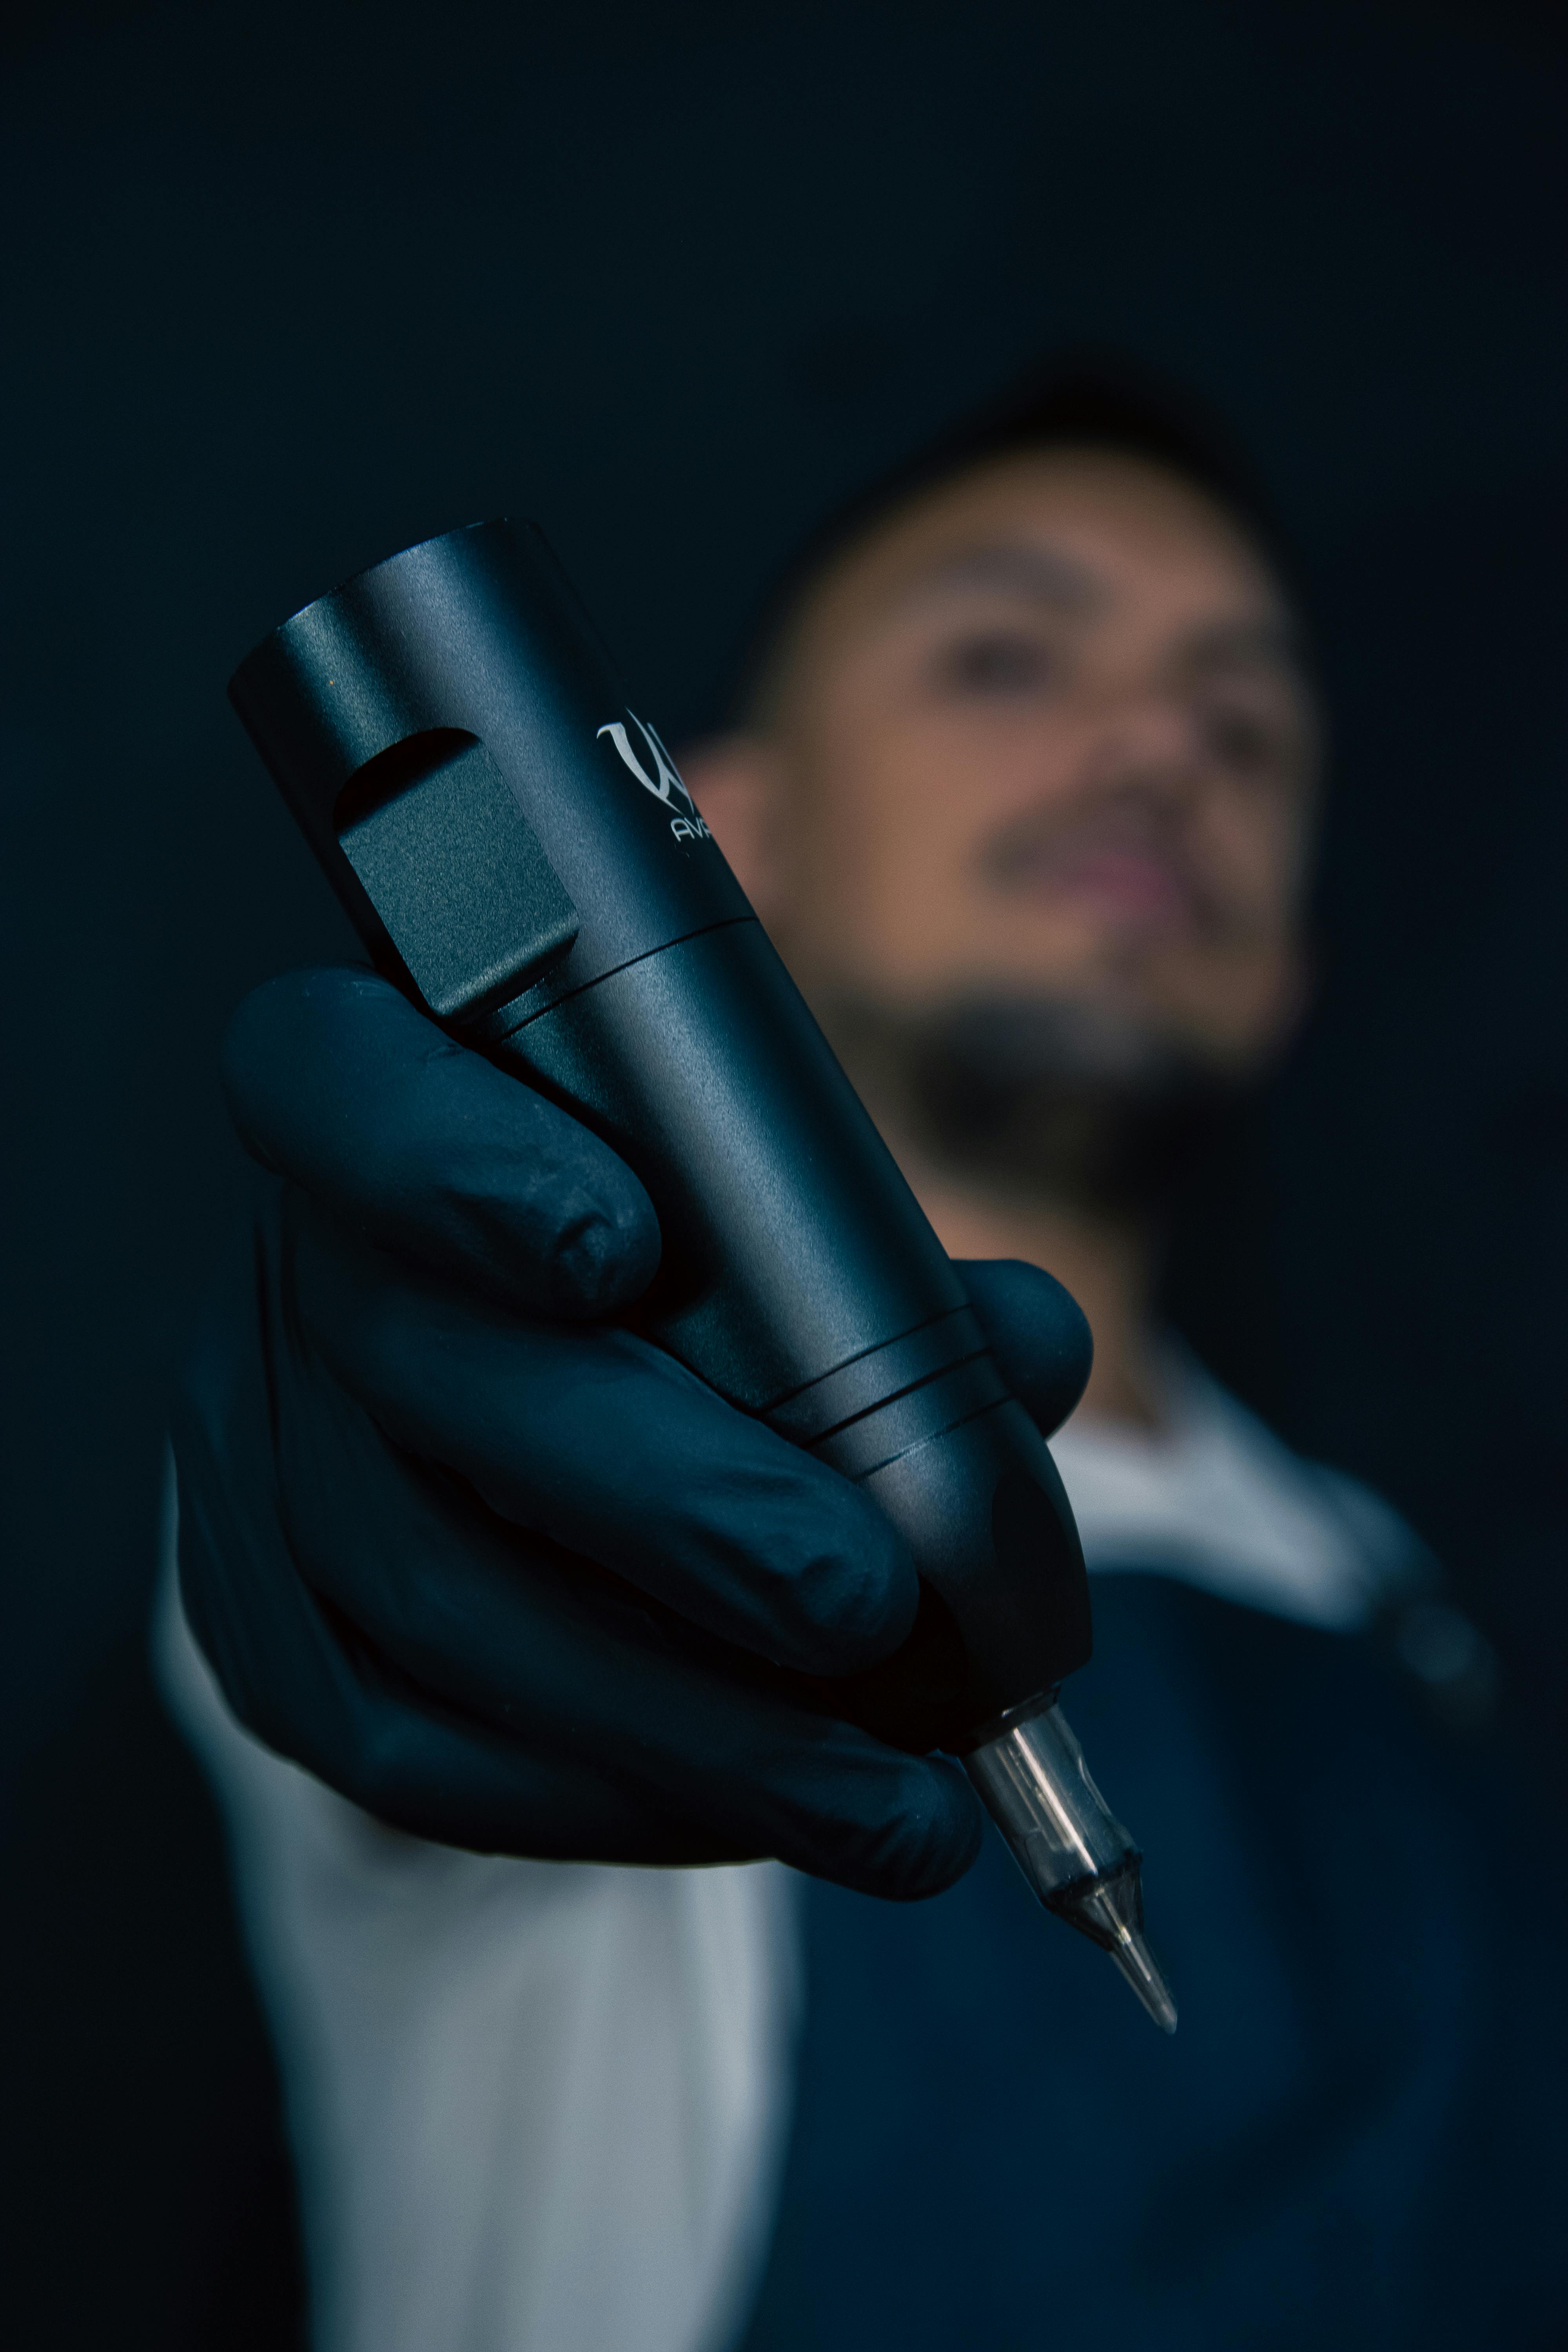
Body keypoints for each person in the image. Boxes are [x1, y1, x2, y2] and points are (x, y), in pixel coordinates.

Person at [160, 369, 1567, 2352]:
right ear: (711, 822)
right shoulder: (579, 1468)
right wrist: (387, 1467)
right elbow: (377, 1631)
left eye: (1244, 724)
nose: (1160, 748)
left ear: (1289, 976)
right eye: (1007, 658)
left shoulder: (1407, 1619)